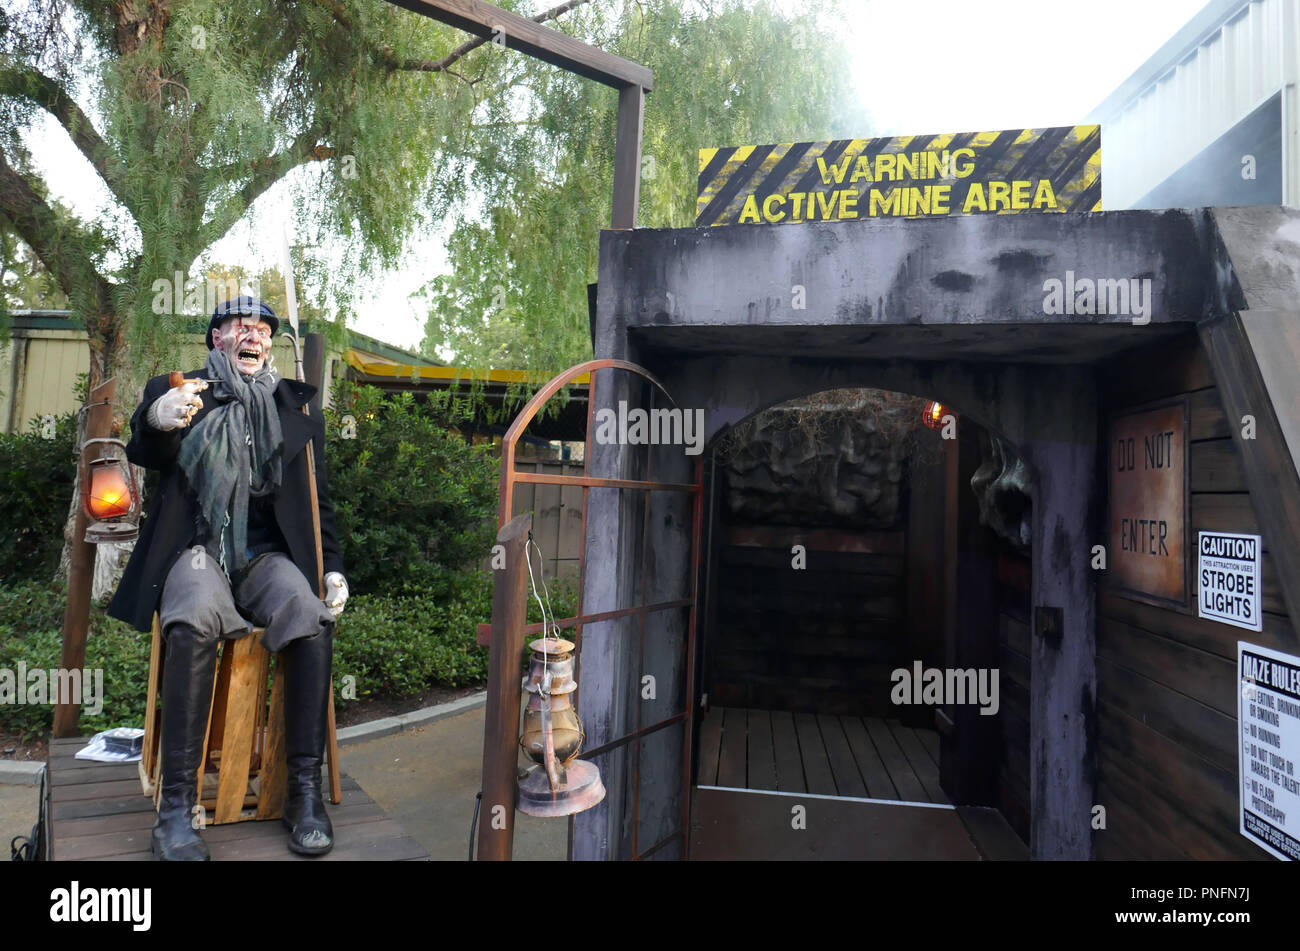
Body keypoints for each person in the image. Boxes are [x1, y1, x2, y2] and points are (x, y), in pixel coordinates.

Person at [107, 296, 349, 860]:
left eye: (263, 329)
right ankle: (176, 809)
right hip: (196, 550)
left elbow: (320, 507)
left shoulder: (294, 407)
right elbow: (149, 447)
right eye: (240, 326)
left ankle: (303, 795)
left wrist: (332, 567)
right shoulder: (183, 390)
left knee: (311, 617)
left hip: (264, 556)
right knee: (192, 615)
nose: (254, 335)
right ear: (216, 338)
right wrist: (157, 417)